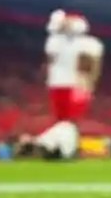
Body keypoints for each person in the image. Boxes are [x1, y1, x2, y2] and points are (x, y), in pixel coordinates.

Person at [36, 10, 103, 161]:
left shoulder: (54, 41)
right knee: (69, 120)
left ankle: (60, 148)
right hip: (74, 84)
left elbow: (49, 61)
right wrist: (89, 84)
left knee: (65, 121)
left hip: (57, 84)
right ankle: (49, 142)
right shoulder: (88, 44)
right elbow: (90, 67)